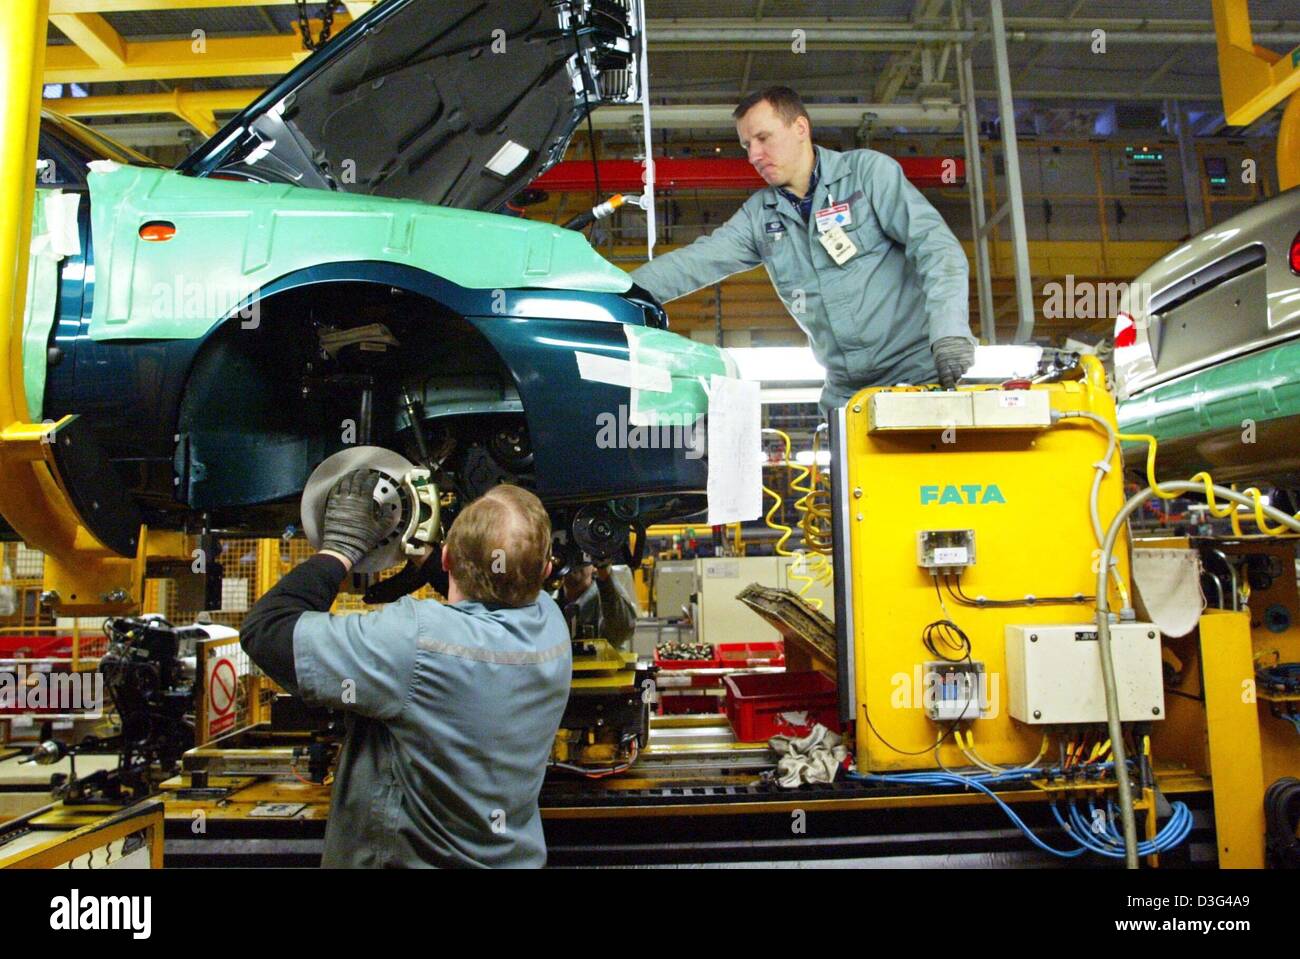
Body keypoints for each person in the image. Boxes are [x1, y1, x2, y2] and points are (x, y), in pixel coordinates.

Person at [240, 475, 571, 868]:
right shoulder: (550, 624)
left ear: (448, 559)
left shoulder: (416, 643)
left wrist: (340, 549)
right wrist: (425, 553)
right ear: (546, 570)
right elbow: (492, 587)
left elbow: (266, 630)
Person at [630, 86, 976, 417]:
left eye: (763, 138)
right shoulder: (759, 216)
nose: (753, 155)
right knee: (851, 480)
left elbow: (936, 248)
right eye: (746, 145)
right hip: (847, 394)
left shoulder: (866, 175)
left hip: (918, 378)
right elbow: (695, 262)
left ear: (800, 127)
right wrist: (612, 292)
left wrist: (950, 332)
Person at [554, 560, 638, 650]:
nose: (572, 562)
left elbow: (622, 630)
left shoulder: (607, 601)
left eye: (580, 554)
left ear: (593, 565)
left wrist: (603, 569)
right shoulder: (548, 604)